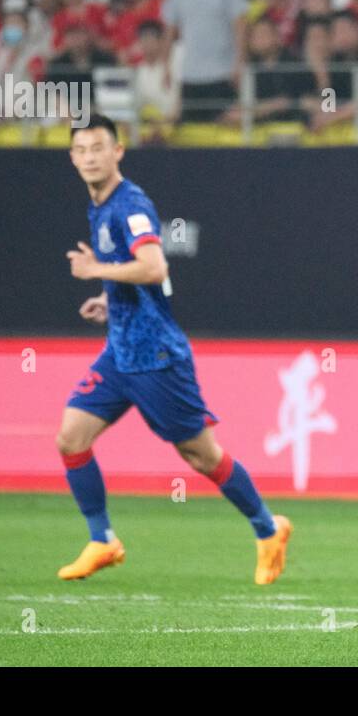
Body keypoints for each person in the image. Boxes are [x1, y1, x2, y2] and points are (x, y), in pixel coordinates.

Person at [55, 115, 292, 582]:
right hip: (121, 352)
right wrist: (108, 299)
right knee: (71, 437)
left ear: (118, 151)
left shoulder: (130, 205)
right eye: (81, 150)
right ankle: (103, 540)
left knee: (201, 456)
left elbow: (153, 267)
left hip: (156, 357)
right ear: (72, 158)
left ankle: (268, 529)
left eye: (98, 148)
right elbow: (133, 274)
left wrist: (96, 270)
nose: (90, 157)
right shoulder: (99, 205)